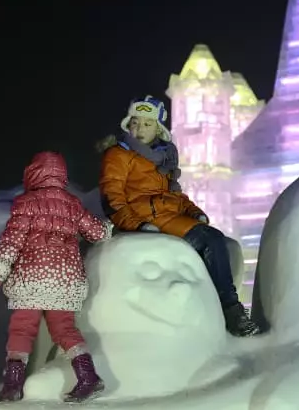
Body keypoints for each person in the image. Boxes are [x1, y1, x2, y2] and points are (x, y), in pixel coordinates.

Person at [98, 95, 260, 337]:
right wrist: (136, 225)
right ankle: (231, 311)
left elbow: (174, 196)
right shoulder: (119, 155)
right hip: (148, 218)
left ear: (158, 129)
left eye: (147, 124)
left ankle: (215, 307)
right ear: (127, 124)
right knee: (211, 240)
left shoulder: (162, 159)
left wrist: (194, 212)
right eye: (135, 122)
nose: (139, 129)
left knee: (222, 243)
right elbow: (112, 196)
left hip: (166, 216)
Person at [0, 151, 113, 403]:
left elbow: (10, 244)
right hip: (65, 280)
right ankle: (88, 376)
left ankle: (13, 384)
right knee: (65, 329)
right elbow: (98, 233)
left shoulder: (25, 203)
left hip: (31, 279)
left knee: (22, 329)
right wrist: (109, 227)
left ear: (32, 173)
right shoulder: (73, 204)